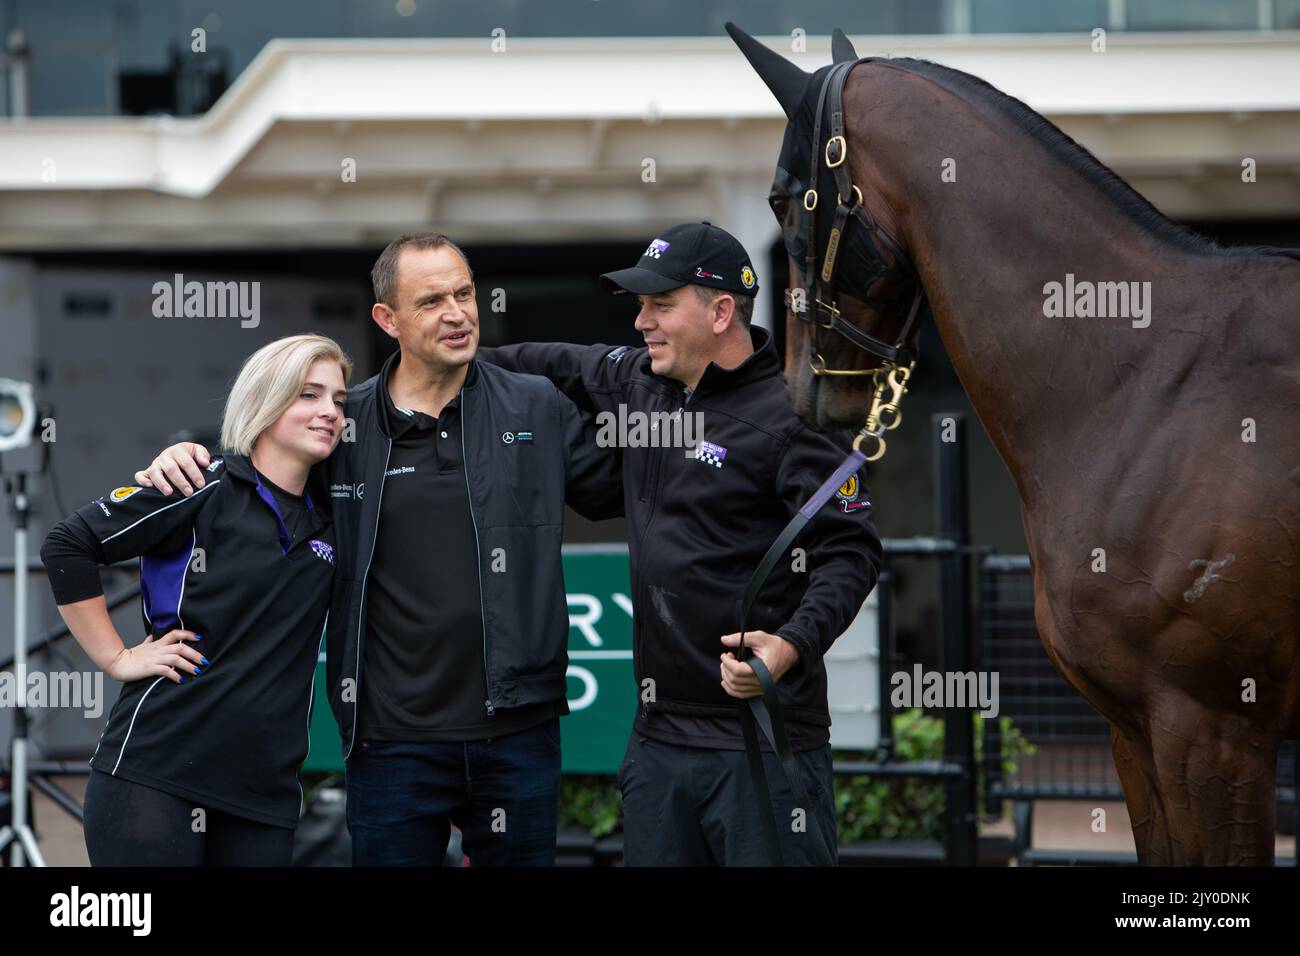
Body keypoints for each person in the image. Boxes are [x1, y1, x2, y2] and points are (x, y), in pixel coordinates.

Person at [132, 234, 621, 866]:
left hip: (518, 733)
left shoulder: (534, 405)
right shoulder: (342, 426)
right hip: (391, 741)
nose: (457, 312)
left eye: (465, 293)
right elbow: (254, 477)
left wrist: (669, 404)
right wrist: (186, 453)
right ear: (387, 319)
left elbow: (625, 490)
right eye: (431, 300)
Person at [477, 221, 884, 865]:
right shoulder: (637, 380)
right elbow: (546, 363)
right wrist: (442, 364)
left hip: (763, 742)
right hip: (658, 742)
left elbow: (851, 551)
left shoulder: (796, 415)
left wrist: (791, 646)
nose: (642, 322)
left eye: (661, 305)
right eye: (641, 305)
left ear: (721, 310)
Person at [41, 333, 350, 866]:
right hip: (155, 777)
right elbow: (68, 546)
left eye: (339, 401)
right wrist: (116, 657)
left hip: (265, 795)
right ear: (267, 399)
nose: (328, 412)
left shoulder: (337, 514)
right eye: (308, 394)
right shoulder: (197, 482)